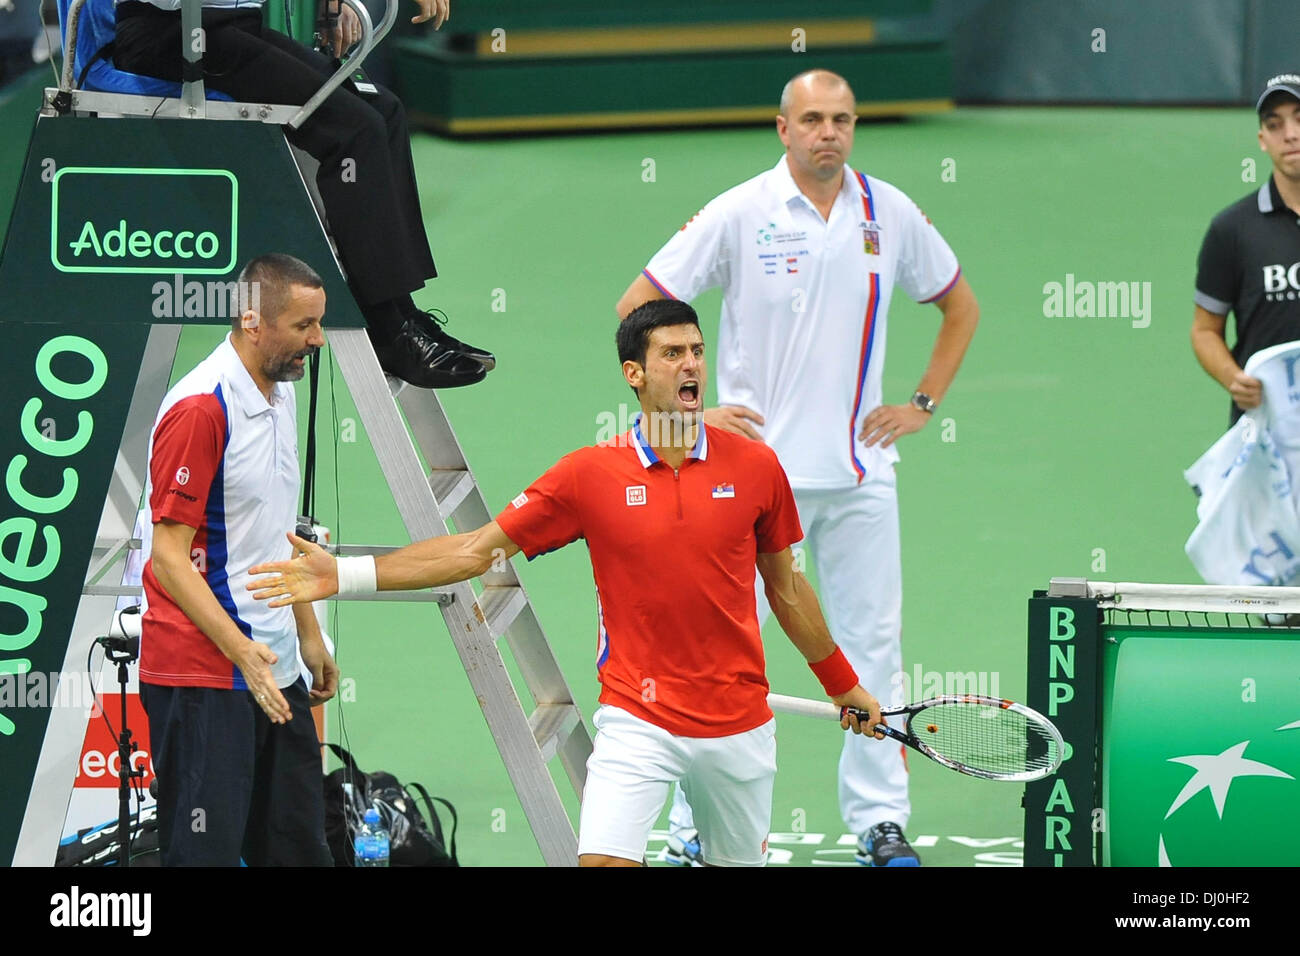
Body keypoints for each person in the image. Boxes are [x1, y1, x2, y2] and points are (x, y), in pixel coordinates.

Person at [247, 299, 886, 867]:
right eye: (671, 354)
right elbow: (474, 551)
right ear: (634, 374)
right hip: (639, 718)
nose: (690, 365)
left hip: (739, 725)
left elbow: (787, 588)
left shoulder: (755, 467)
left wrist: (844, 685)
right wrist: (344, 574)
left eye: (696, 351)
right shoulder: (589, 477)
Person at [614, 69, 980, 866]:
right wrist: (689, 411)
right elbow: (638, 306)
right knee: (713, 655)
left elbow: (960, 305)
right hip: (742, 481)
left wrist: (921, 403)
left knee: (873, 646)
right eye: (812, 119)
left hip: (860, 476)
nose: (829, 133)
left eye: (843, 119)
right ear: (782, 129)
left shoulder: (891, 212)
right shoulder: (741, 211)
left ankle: (880, 823)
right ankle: (695, 833)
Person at [112, 0, 492, 389]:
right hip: (171, 35)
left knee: (383, 109)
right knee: (355, 129)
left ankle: (404, 312)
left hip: (232, 26)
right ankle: (387, 328)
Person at [139, 252, 338, 865]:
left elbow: (274, 530)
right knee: (204, 856)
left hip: (272, 665)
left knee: (299, 850)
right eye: (303, 325)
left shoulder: (278, 393)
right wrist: (240, 651)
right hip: (208, 674)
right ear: (254, 322)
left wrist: (307, 633)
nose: (317, 339)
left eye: (318, 323)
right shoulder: (201, 408)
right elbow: (169, 557)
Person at [1192, 73, 1300, 424]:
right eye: (1274, 124)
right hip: (1265, 430)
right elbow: (1205, 330)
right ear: (1262, 140)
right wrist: (1232, 378)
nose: (1291, 134)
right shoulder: (1232, 230)